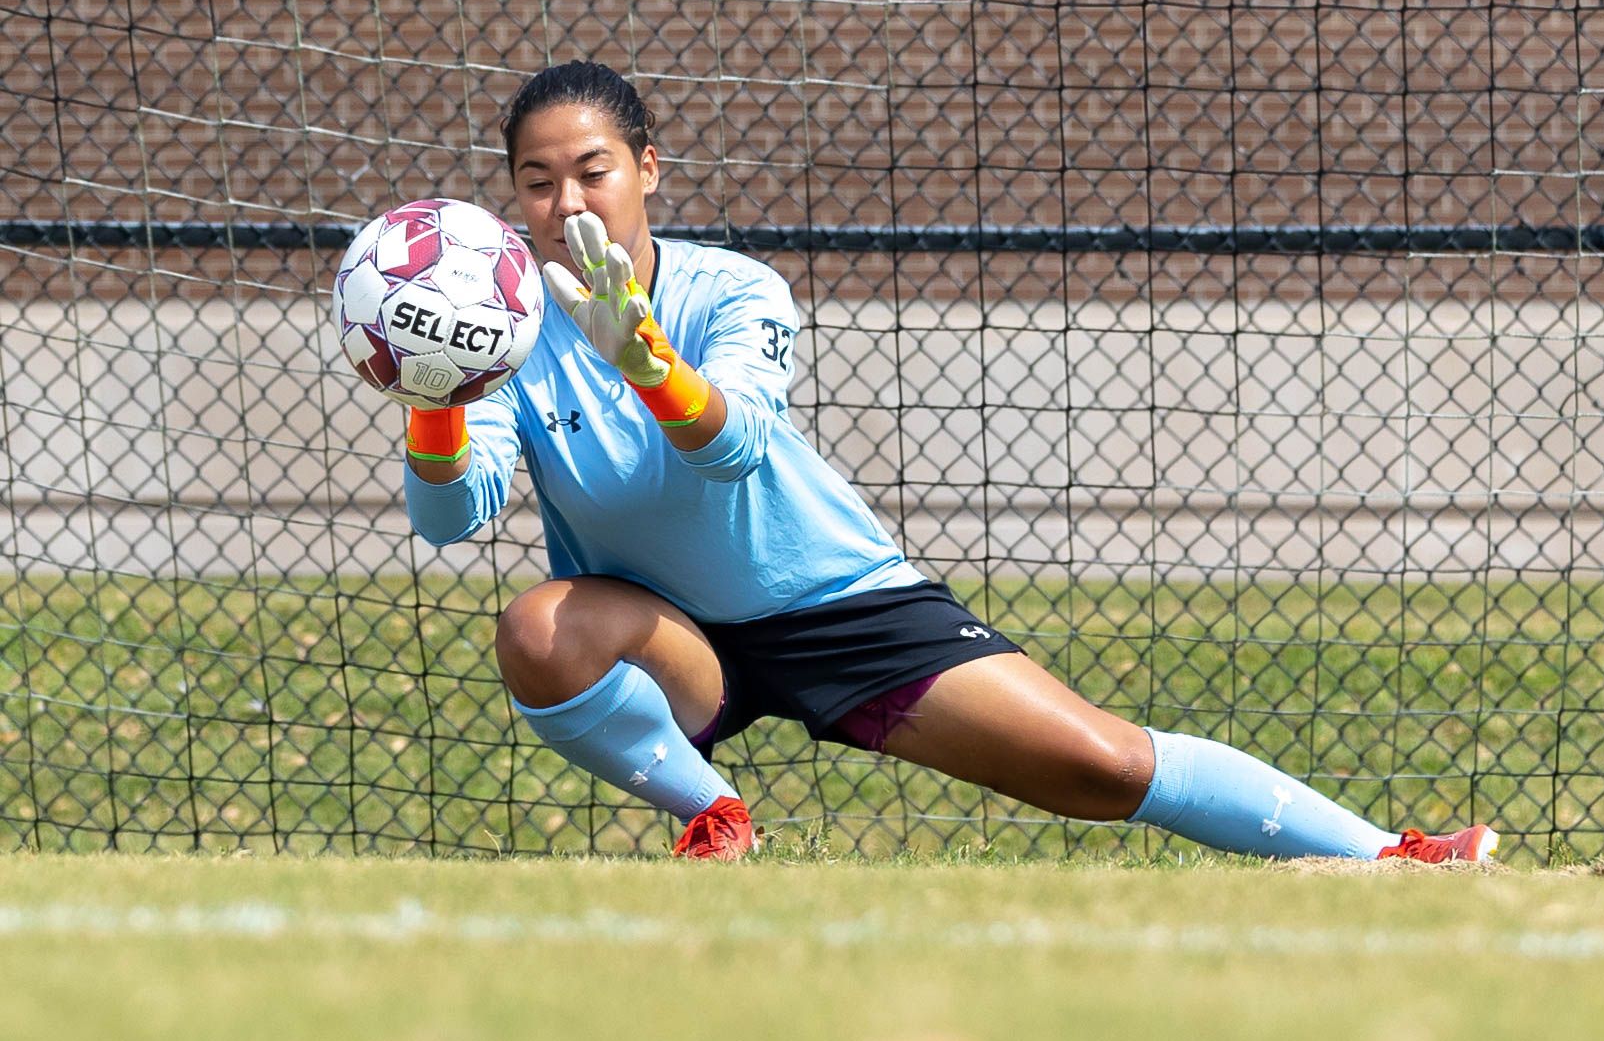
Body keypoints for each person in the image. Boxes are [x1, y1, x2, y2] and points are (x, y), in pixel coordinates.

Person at [398, 60, 1499, 864]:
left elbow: (730, 446)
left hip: (834, 601)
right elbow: (453, 521)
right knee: (536, 627)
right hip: (665, 634)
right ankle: (712, 816)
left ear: (648, 167)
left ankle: (1389, 858)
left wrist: (641, 353)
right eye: (538, 181)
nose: (567, 201)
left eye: (592, 169)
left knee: (1103, 765)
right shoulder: (510, 332)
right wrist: (436, 402)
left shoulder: (732, 292)